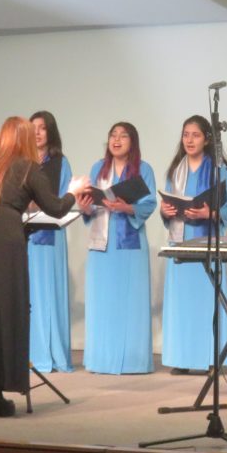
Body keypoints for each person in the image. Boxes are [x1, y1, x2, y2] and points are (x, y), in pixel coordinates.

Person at [0, 116, 86, 417]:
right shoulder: (27, 167)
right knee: (4, 310)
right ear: (24, 139)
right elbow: (56, 208)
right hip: (2, 238)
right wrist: (74, 191)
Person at [78, 122, 158, 374]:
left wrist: (127, 208)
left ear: (132, 142)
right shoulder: (97, 169)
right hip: (102, 245)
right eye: (113, 135)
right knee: (103, 302)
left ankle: (134, 361)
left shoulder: (143, 170)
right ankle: (101, 358)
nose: (117, 140)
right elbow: (90, 205)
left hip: (131, 244)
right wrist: (85, 207)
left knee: (131, 302)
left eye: (123, 136)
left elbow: (150, 203)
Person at [159, 115, 227, 374]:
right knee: (182, 305)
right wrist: (166, 210)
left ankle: (211, 358)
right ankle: (182, 359)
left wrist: (207, 214)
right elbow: (167, 205)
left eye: (196, 135)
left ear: (207, 139)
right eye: (186, 134)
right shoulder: (175, 169)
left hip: (206, 243)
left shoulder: (217, 169)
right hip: (180, 244)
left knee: (207, 303)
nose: (189, 140)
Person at [27, 111, 76, 373]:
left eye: (42, 128)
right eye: (32, 127)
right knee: (27, 296)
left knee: (49, 293)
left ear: (51, 132)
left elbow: (66, 198)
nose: (37, 132)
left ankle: (52, 353)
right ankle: (29, 352)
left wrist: (41, 202)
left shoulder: (60, 162)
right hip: (23, 236)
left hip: (51, 235)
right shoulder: (20, 161)